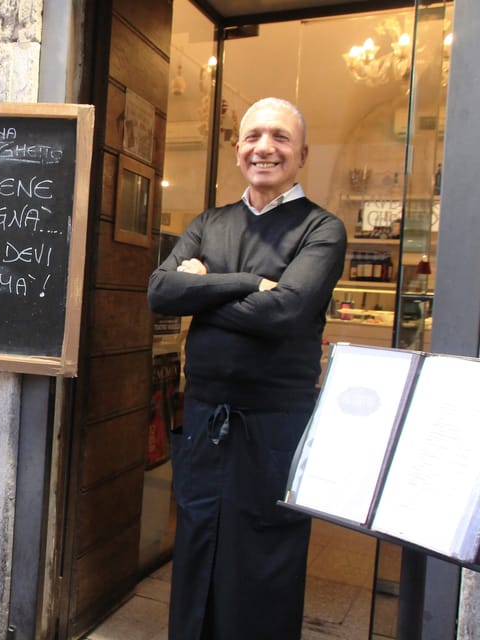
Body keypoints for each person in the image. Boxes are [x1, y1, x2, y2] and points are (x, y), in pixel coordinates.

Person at [147, 97, 347, 639]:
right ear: (238, 151)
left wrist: (204, 288)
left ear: (301, 153)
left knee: (264, 558)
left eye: (280, 138)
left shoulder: (321, 230)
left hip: (275, 426)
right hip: (206, 419)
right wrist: (245, 283)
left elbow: (285, 312)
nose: (265, 148)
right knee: (197, 543)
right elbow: (162, 292)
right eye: (254, 136)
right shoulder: (209, 222)